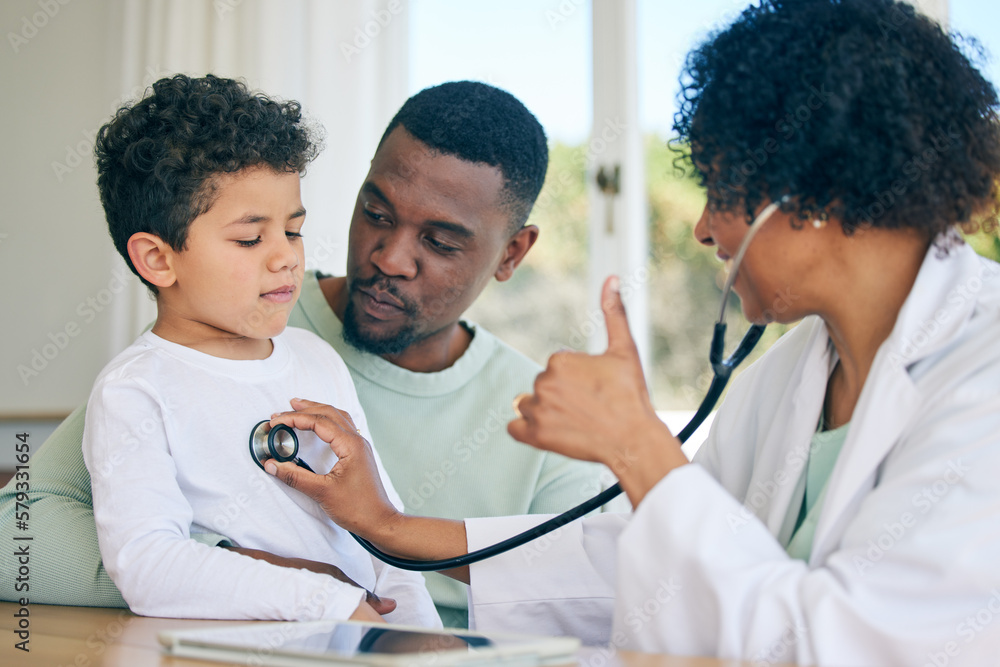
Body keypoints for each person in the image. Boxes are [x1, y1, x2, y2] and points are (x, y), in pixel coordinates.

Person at [260, 0, 1000, 663]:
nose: (704, 229)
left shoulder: (984, 376)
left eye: (719, 190)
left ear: (812, 195)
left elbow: (852, 644)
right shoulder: (789, 376)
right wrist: (387, 525)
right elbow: (636, 570)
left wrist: (637, 445)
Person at [0, 79, 614, 628]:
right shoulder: (221, 329)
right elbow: (17, 539)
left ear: (512, 253)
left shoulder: (548, 421)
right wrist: (260, 573)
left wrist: (414, 633)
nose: (390, 258)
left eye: (440, 242)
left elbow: (611, 601)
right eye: (376, 214)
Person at [80, 73, 439, 625]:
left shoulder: (317, 359)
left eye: (293, 231)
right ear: (158, 259)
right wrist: (335, 605)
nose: (286, 258)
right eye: (250, 238)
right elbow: (148, 565)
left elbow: (385, 533)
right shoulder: (135, 391)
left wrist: (420, 639)